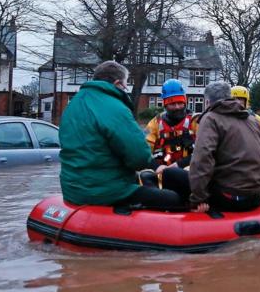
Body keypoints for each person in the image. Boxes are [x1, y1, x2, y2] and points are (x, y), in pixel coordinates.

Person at [58, 60, 183, 209]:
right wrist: (156, 166)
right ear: (117, 83)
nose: (125, 89)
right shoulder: (115, 108)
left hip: (72, 190)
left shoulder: (73, 105)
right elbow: (139, 156)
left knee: (146, 180)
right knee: (172, 198)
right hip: (105, 191)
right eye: (125, 85)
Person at [188, 82, 260, 213]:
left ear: (207, 102)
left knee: (172, 175)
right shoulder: (253, 120)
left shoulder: (210, 119)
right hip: (255, 195)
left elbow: (202, 159)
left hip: (228, 197)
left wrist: (198, 199)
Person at [140, 78, 195, 200]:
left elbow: (205, 152)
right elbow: (143, 150)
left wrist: (178, 165)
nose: (177, 107)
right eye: (172, 103)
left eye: (180, 103)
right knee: (144, 175)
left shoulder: (196, 122)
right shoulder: (154, 124)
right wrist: (157, 167)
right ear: (165, 104)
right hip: (161, 171)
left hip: (186, 171)